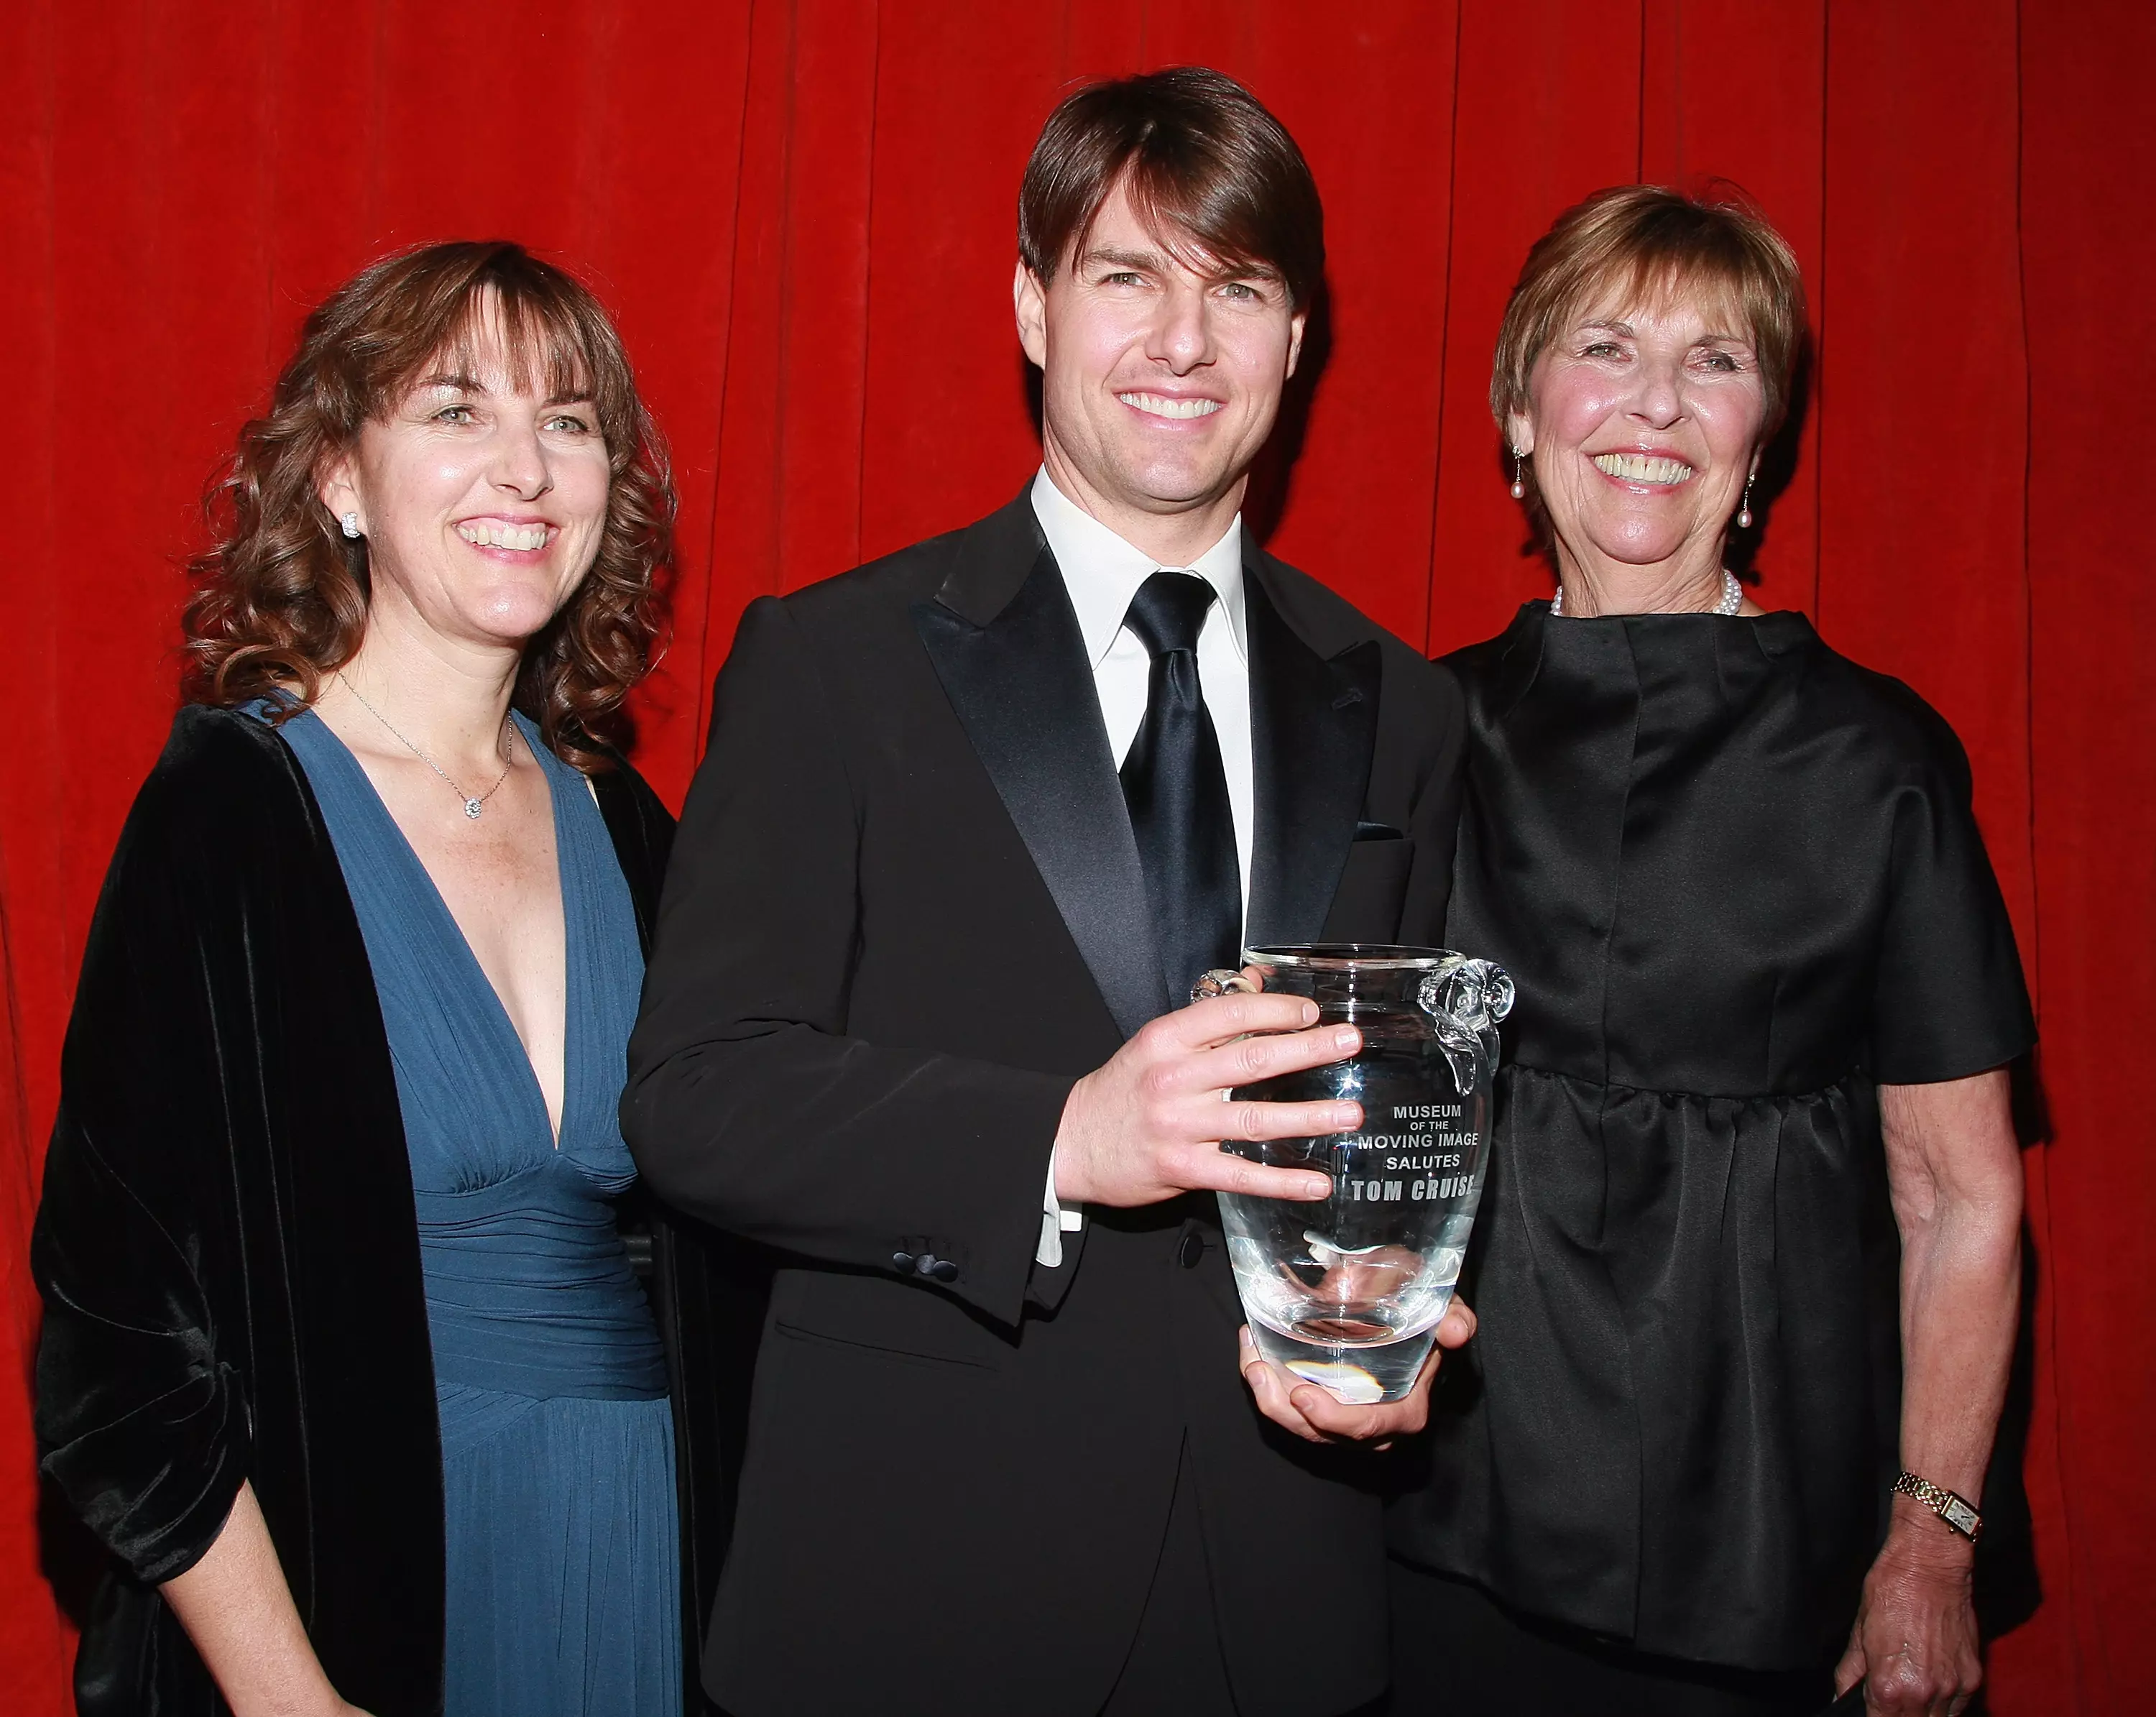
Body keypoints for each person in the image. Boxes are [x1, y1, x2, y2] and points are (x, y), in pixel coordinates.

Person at [625, 67, 1469, 1717]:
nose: (1183, 342)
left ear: (1298, 340)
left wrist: (1389, 1317)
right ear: (1031, 306)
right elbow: (696, 1096)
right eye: (1125, 276)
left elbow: (1403, 1114)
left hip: (1279, 1591)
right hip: (920, 1587)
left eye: (1238, 290)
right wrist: (1060, 1140)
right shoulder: (834, 663)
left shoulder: (1407, 705)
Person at [1385, 186, 2033, 1717]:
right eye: (1605, 348)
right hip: (1446, 1522)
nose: (1657, 406)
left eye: (1719, 361)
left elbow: (1963, 1197)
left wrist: (1930, 1547)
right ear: (1522, 417)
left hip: (1773, 1534)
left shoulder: (1881, 760)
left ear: (1760, 446)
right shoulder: (1409, 736)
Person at [33, 241, 701, 1717]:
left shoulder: (635, 832)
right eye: (457, 410)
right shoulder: (233, 815)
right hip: (347, 1596)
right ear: (340, 479)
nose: (523, 468)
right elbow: (116, 1341)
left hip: (630, 1551)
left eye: (569, 420)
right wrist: (291, 1699)